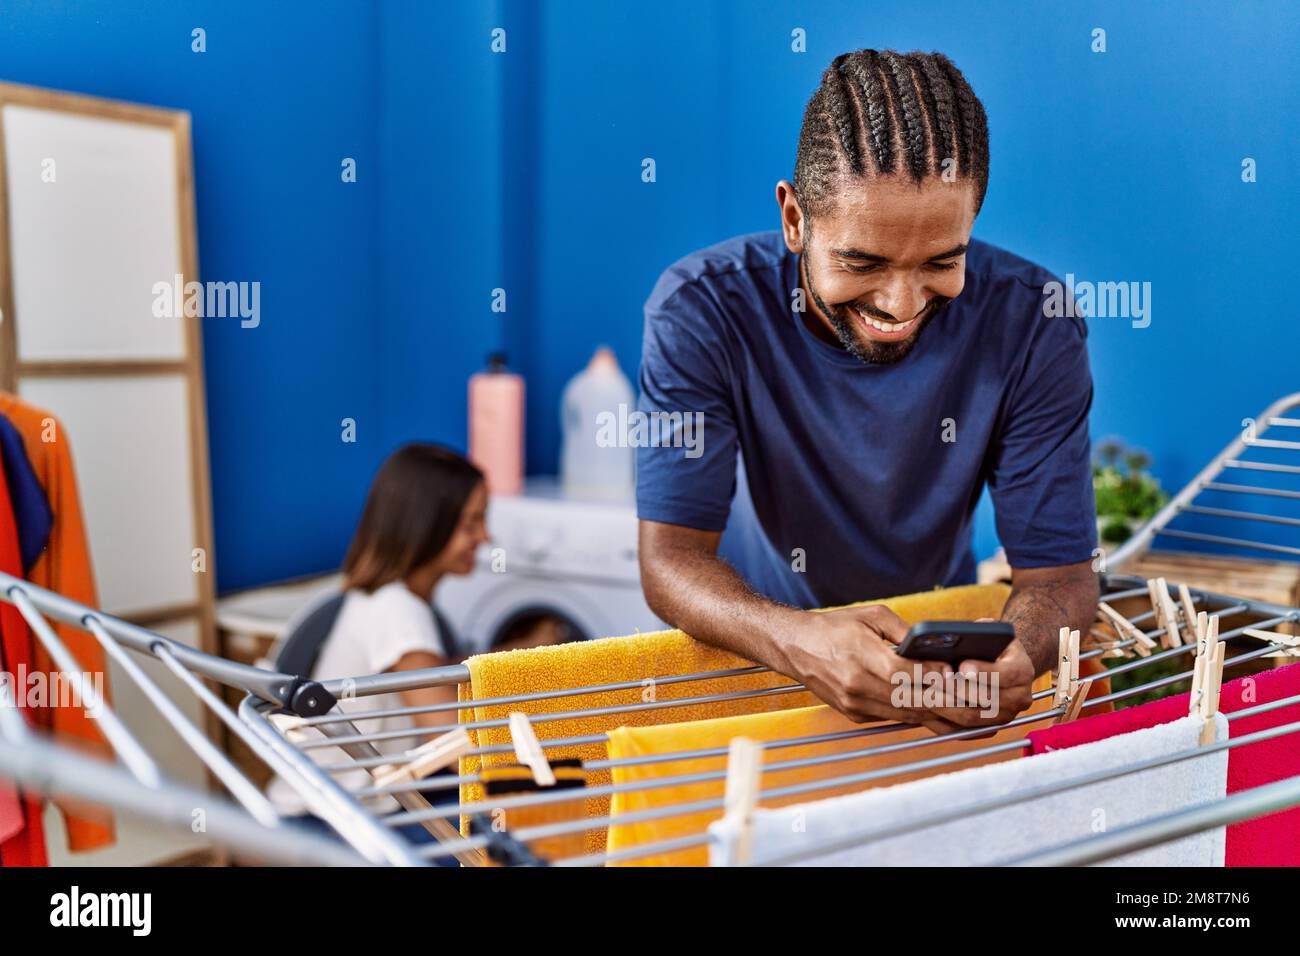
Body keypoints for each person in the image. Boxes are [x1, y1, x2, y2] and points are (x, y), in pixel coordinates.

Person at [636, 49, 1100, 737]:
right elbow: (669, 558)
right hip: (759, 665)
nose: (901, 302)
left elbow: (1061, 579)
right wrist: (797, 640)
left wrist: (1019, 658)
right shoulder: (701, 310)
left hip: (932, 666)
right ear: (795, 219)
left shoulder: (1036, 322)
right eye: (862, 262)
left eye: (944, 261)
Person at [267, 443, 488, 856]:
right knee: (507, 837)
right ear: (429, 526)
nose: (485, 536)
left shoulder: (381, 598)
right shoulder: (401, 612)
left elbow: (434, 674)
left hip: (309, 809)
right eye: (472, 522)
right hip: (335, 829)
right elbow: (458, 748)